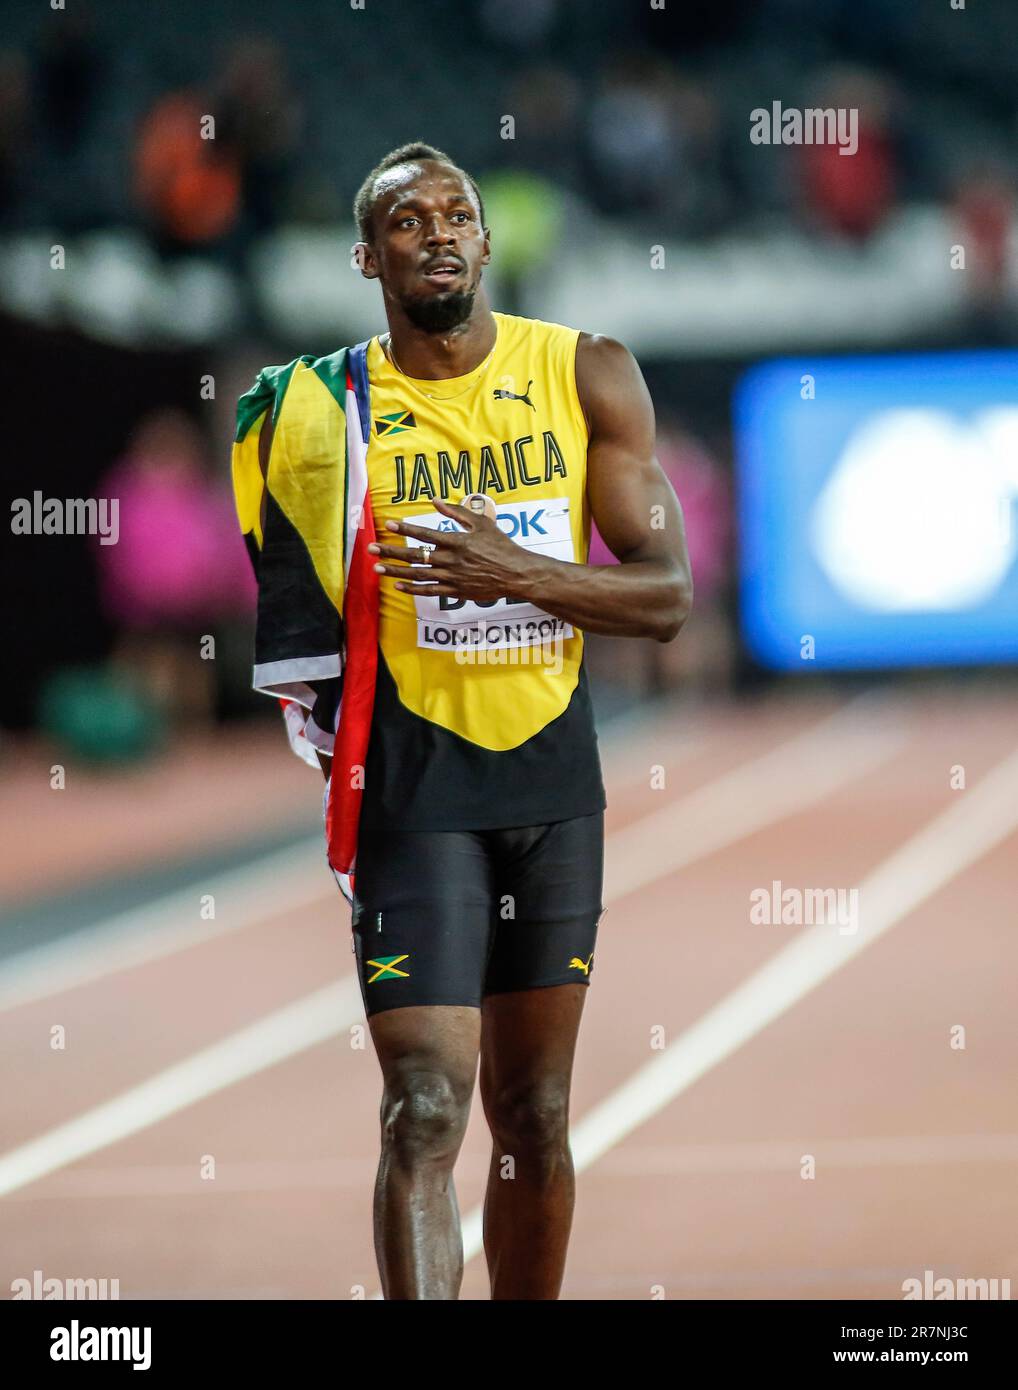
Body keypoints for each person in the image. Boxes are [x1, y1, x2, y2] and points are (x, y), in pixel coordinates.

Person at [242, 142, 692, 1299]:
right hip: (414, 785)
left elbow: (666, 596)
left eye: (457, 215)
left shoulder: (586, 371)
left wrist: (517, 570)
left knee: (534, 1115)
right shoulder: (325, 412)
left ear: (487, 243)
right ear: (367, 255)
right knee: (421, 1110)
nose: (436, 233)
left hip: (550, 786)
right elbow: (280, 562)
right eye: (405, 221)